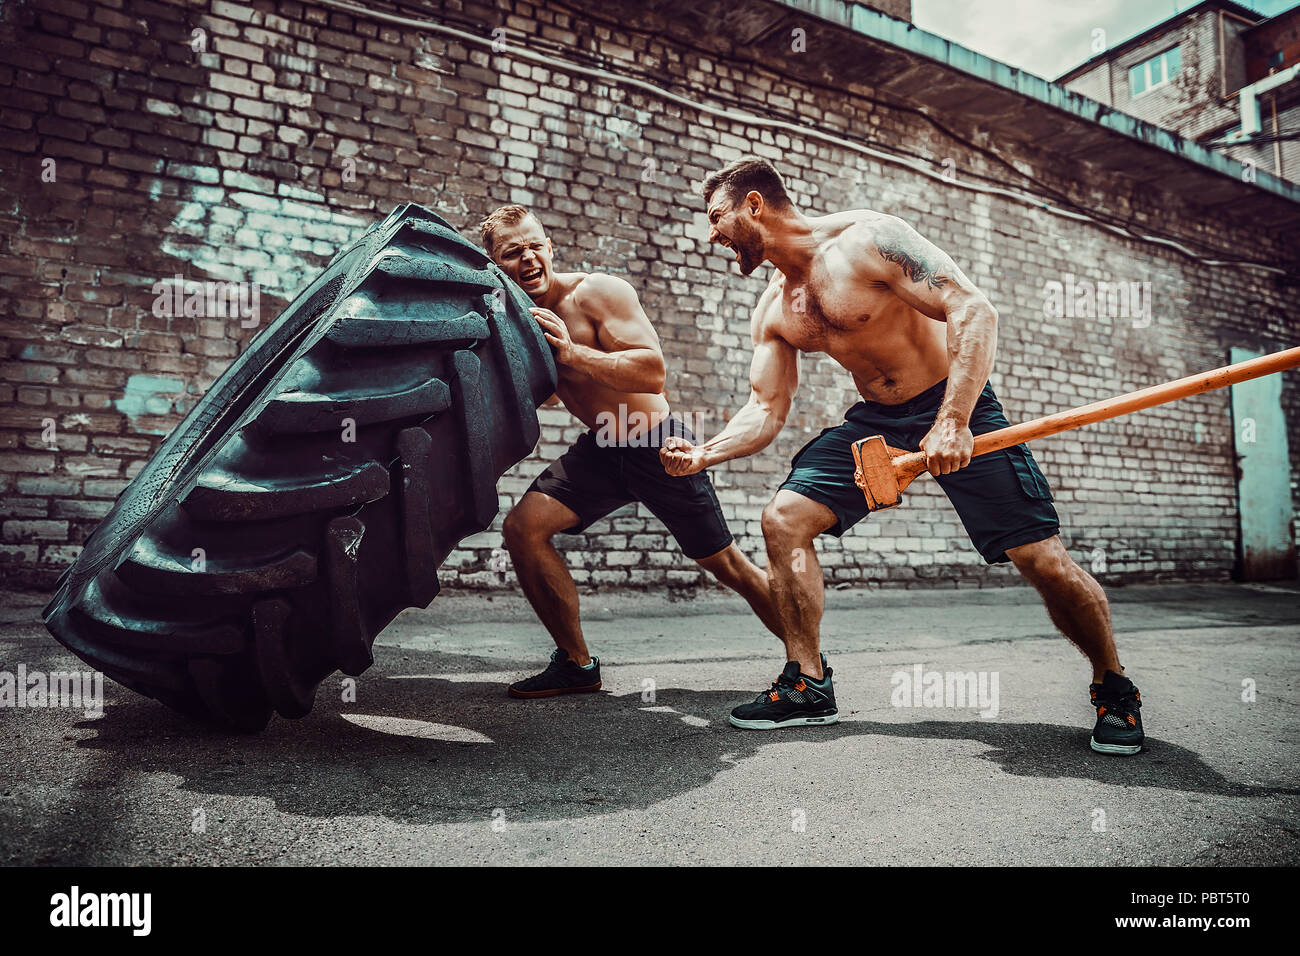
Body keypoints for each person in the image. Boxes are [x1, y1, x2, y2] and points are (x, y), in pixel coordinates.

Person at [660, 158, 1143, 754]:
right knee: (784, 519)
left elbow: (972, 309)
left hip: (955, 405)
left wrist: (954, 421)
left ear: (754, 204)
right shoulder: (776, 308)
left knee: (1041, 559)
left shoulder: (866, 241)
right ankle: (808, 682)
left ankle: (1114, 686)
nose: (713, 234)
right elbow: (767, 408)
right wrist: (706, 454)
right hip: (878, 423)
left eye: (718, 217)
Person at [479, 203, 783, 698]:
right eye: (514, 253)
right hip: (602, 447)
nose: (529, 258)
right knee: (523, 529)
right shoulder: (516, 319)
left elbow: (651, 371)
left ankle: (810, 667)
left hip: (653, 439)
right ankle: (577, 665)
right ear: (496, 264)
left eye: (536, 246)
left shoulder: (597, 292)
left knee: (727, 565)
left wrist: (575, 354)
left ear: (551, 248)